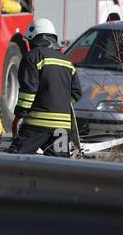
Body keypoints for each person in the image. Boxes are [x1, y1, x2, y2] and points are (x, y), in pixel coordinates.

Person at [10, 18, 81, 155]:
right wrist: (57, 102)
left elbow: (28, 92)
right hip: (62, 128)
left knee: (16, 159)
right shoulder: (67, 61)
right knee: (56, 168)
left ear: (34, 39)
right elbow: (76, 93)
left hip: (36, 126)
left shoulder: (32, 57)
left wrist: (19, 116)